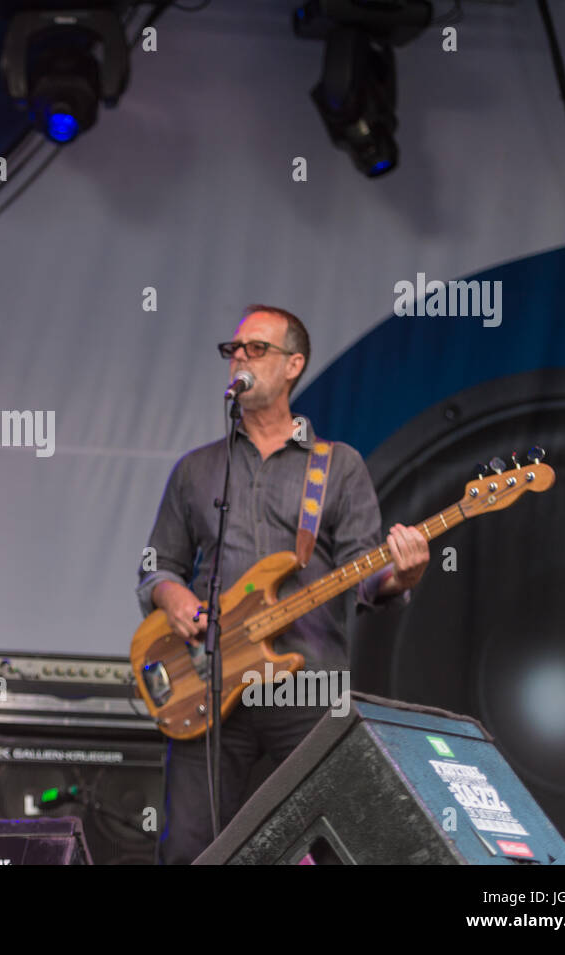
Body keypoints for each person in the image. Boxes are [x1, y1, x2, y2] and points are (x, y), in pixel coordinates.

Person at [137, 305, 430, 865]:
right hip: (212, 683)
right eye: (235, 349)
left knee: (333, 842)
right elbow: (157, 563)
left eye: (256, 348)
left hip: (307, 685)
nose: (240, 357)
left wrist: (401, 573)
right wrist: (170, 596)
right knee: (189, 848)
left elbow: (365, 574)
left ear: (294, 364)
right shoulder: (197, 469)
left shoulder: (337, 466)